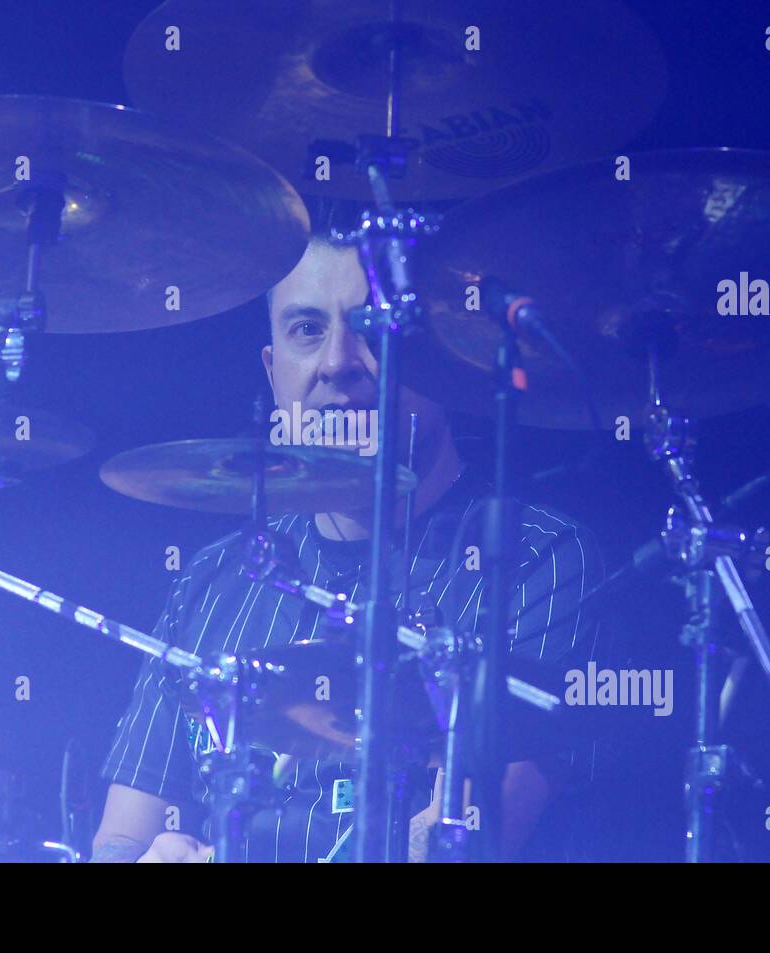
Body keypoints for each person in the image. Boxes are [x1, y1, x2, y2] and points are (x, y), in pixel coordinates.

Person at [92, 227, 600, 863]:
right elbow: (121, 834)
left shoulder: (531, 557)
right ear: (275, 374)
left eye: (371, 328)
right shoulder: (214, 577)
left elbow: (460, 841)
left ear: (440, 361)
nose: (338, 362)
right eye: (307, 329)